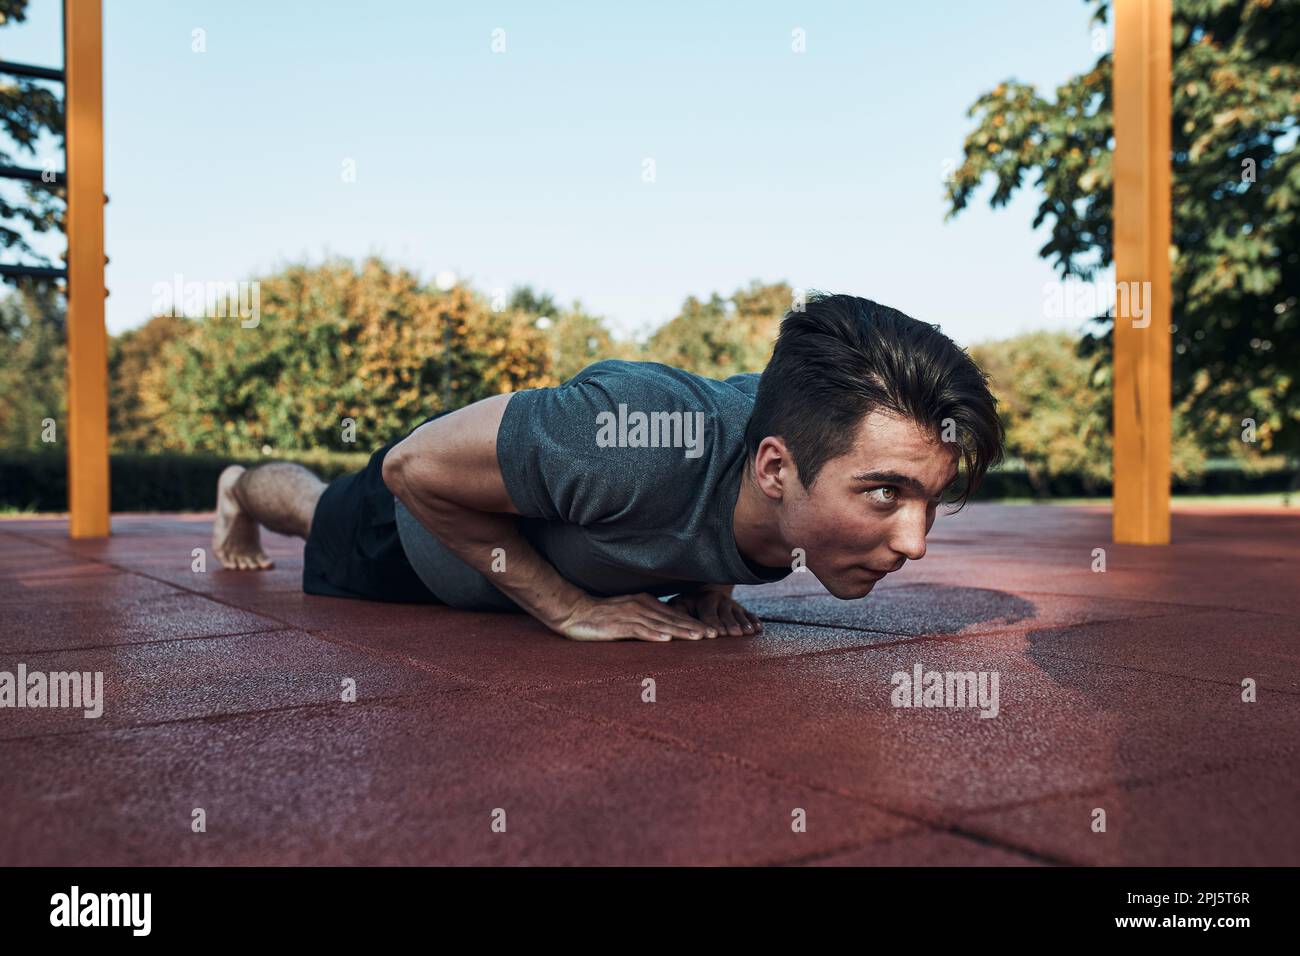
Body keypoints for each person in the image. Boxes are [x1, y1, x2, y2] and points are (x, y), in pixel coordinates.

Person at [211, 292, 1004, 643]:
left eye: (928, 500)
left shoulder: (798, 465)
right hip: (415, 527)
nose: (915, 542)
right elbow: (414, 467)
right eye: (886, 496)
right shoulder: (628, 440)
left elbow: (729, 458)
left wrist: (710, 582)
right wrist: (564, 607)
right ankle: (239, 486)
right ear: (773, 470)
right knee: (317, 509)